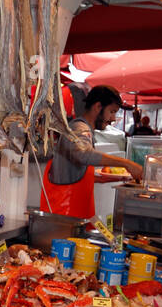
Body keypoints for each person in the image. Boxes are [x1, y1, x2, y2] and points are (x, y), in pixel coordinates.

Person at [39, 85, 142, 217]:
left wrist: (104, 179)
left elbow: (72, 174)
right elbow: (84, 154)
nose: (113, 119)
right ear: (98, 107)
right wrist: (127, 163)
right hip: (64, 218)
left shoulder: (84, 130)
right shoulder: (79, 128)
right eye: (112, 111)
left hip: (72, 217)